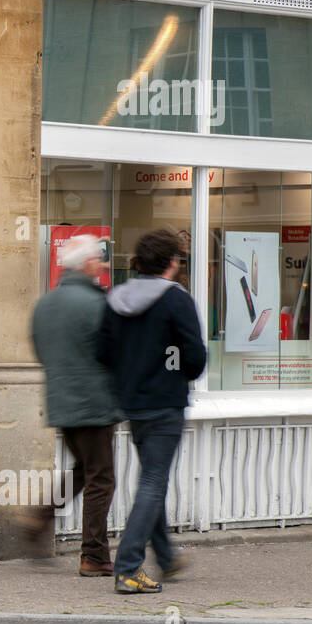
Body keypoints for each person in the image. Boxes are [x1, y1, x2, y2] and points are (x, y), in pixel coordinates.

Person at [97, 228, 207, 594]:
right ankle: (128, 567)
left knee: (150, 478)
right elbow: (195, 357)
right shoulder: (177, 300)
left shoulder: (116, 298)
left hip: (131, 403)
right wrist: (176, 373)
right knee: (153, 481)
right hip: (165, 403)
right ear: (173, 262)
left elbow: (102, 353)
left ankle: (167, 558)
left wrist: (129, 375)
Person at [29, 235, 123, 576]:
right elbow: (113, 352)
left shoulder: (45, 304)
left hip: (62, 401)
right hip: (95, 402)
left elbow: (41, 351)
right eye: (99, 260)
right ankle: (94, 556)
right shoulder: (97, 303)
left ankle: (38, 517)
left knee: (84, 470)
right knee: (102, 478)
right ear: (86, 265)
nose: (103, 265)